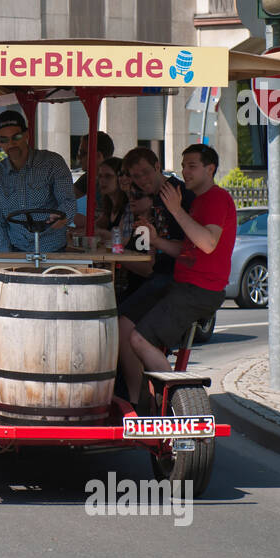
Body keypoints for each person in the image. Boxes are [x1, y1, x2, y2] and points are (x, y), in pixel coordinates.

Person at [117, 144, 237, 402]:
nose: (185, 171)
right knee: (124, 324)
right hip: (180, 283)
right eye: (183, 166)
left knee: (138, 338)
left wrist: (176, 210)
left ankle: (178, 400)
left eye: (192, 166)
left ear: (210, 169)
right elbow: (188, 247)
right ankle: (142, 402)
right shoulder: (199, 200)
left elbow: (207, 243)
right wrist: (156, 240)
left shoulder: (214, 198)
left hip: (195, 288)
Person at [0, 110, 77, 253]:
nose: (11, 144)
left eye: (17, 137)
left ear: (27, 135)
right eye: (4, 140)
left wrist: (62, 215)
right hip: (16, 250)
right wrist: (5, 259)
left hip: (53, 249)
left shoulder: (53, 162)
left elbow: (68, 201)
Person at [118, 146, 194, 303]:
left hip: (177, 278)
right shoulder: (156, 198)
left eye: (146, 172)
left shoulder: (180, 192)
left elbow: (190, 244)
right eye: (136, 176)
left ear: (157, 166)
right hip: (159, 273)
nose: (142, 180)